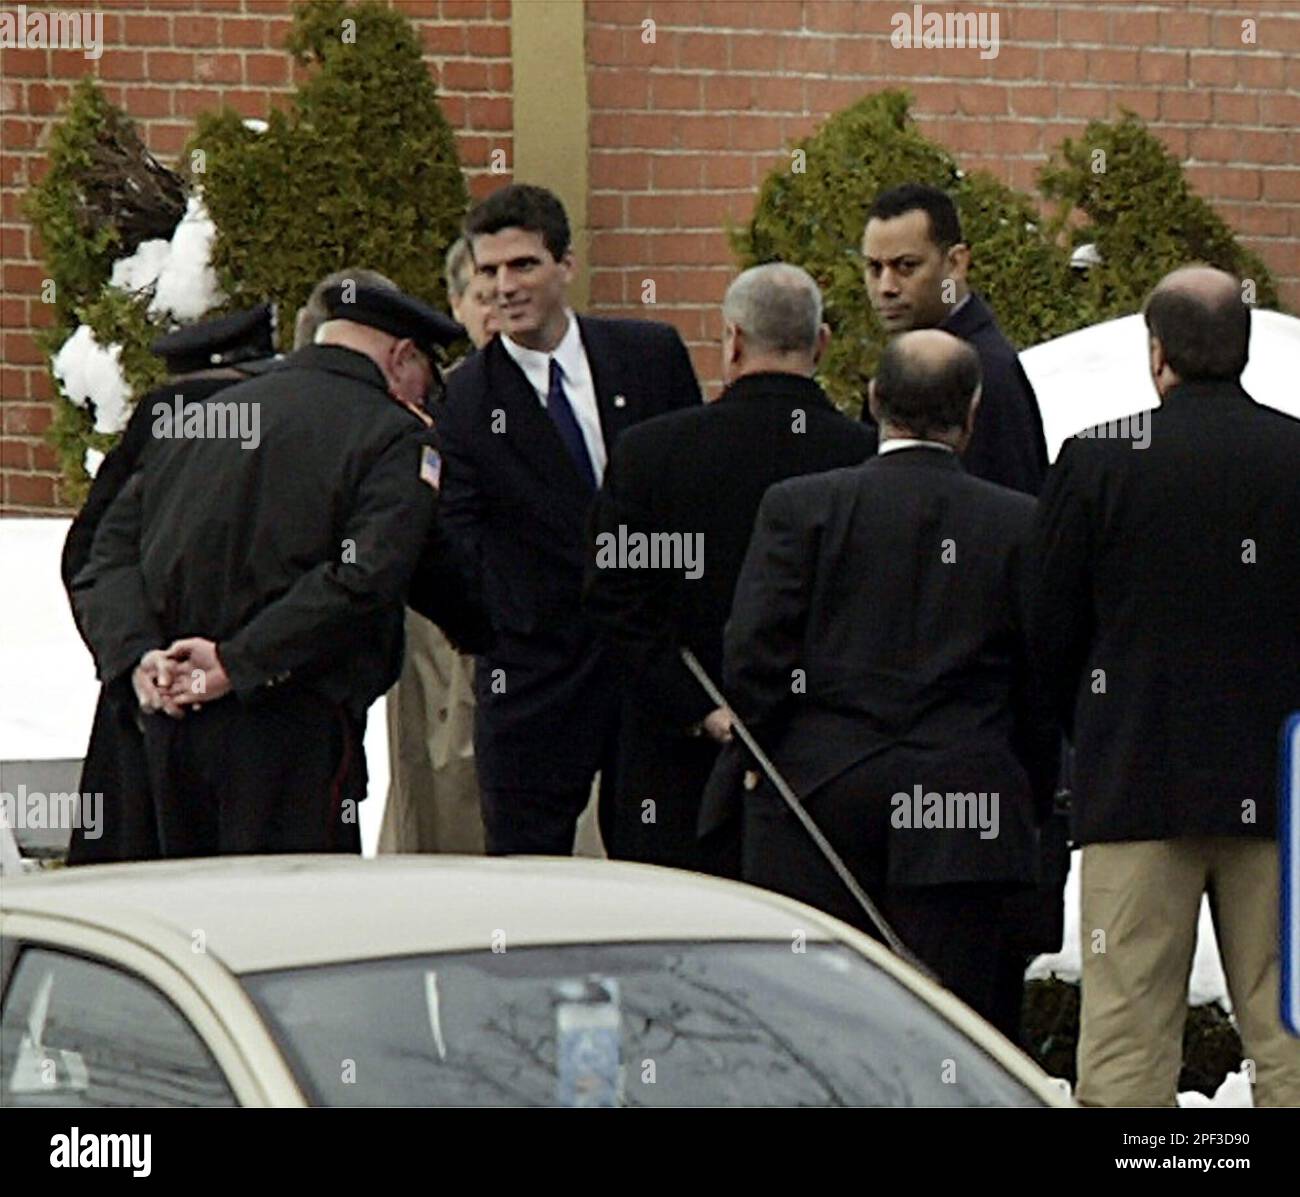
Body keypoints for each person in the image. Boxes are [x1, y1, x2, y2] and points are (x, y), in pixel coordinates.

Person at [720, 330, 1059, 1037]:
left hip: (822, 803)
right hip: (964, 802)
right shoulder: (1021, 524)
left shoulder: (800, 506)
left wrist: (774, 754)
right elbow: (1042, 681)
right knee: (955, 1028)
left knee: (816, 1027)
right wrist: (1021, 785)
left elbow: (754, 657)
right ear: (971, 413)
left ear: (874, 400)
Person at [70, 284, 479, 856]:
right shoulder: (392, 434)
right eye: (427, 384)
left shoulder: (204, 416)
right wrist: (238, 663)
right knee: (284, 923)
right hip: (289, 730)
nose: (424, 399)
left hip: (164, 724)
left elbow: (103, 556)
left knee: (165, 915)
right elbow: (363, 577)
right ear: (401, 356)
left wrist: (142, 658)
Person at [1028, 266, 1300, 1107]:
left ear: (1156, 353)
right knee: (1289, 1040)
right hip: (1285, 791)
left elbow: (1045, 625)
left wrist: (1089, 721)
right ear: (1245, 349)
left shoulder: (1097, 460)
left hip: (1137, 778)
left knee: (1126, 1043)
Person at [584, 263, 875, 875]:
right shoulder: (861, 461)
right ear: (821, 344)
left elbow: (615, 601)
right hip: (822, 774)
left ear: (733, 340)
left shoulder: (650, 454)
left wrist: (701, 709)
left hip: (671, 780)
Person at [438, 183, 702, 856]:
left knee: (665, 873)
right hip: (535, 680)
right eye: (488, 271)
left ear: (566, 266)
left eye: (523, 265)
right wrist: (506, 630)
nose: (504, 286)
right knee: (530, 886)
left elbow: (689, 495)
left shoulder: (649, 356)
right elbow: (455, 543)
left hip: (650, 672)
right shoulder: (466, 397)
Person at [61, 304, 276, 865]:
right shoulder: (177, 435)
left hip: (200, 715)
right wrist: (140, 658)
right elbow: (97, 558)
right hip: (186, 725)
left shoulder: (180, 428)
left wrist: (141, 660)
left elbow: (93, 558)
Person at [378, 239, 497, 854]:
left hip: (528, 624)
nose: (500, 303)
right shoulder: (435, 406)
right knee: (440, 775)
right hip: (437, 623)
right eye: (483, 291)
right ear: (457, 304)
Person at [860, 182, 1047, 495]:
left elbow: (1007, 510)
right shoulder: (922, 354)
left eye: (906, 266)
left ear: (956, 263)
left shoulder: (988, 372)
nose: (886, 286)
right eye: (874, 268)